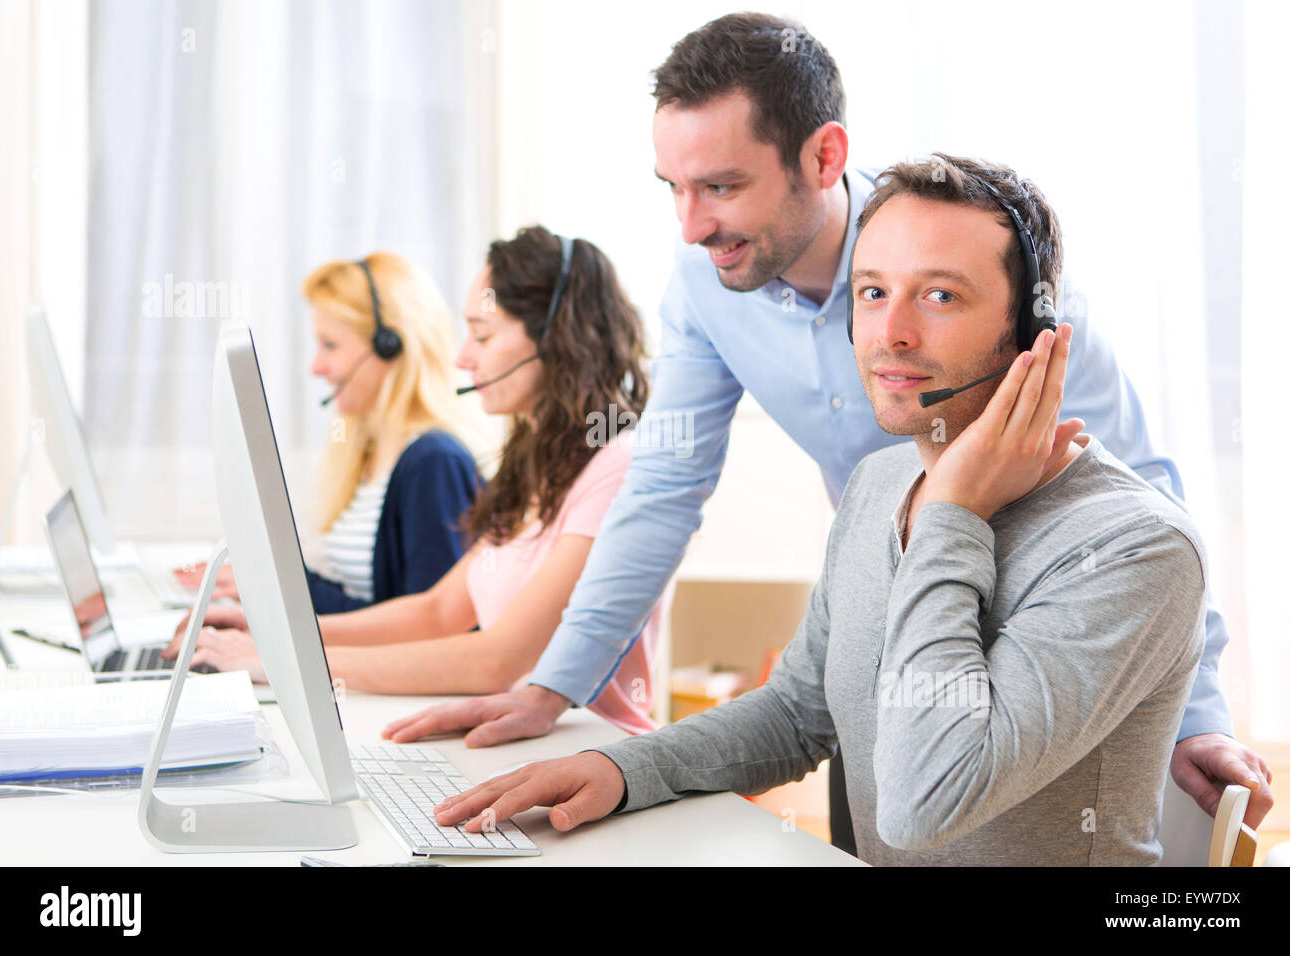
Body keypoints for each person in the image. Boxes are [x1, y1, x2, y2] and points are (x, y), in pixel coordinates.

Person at [396, 12, 1274, 833]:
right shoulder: (823, 425)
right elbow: (667, 485)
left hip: (1032, 617)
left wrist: (1193, 708)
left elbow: (1142, 510)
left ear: (824, 157)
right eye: (674, 189)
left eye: (723, 186)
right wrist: (564, 699)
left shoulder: (1021, 296)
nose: (693, 225)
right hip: (901, 593)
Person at [167, 227, 668, 735]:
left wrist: (286, 658)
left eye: (484, 335)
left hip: (587, 748)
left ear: (555, 340)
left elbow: (497, 661)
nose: (461, 357)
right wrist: (279, 630)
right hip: (511, 740)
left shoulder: (615, 467)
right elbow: (437, 610)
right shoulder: (532, 471)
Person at [179, 251, 482, 614]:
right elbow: (362, 602)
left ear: (390, 345)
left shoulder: (434, 462)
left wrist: (275, 592)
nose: (317, 367)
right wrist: (258, 581)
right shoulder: (365, 453)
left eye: (331, 345)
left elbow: (423, 633)